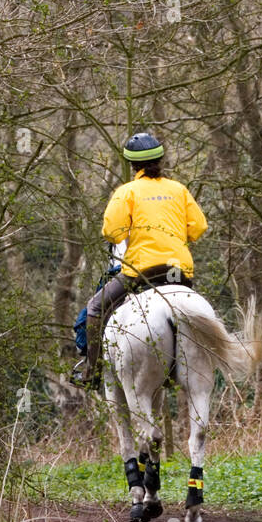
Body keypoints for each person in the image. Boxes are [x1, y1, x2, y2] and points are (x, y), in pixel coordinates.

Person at [71, 131, 208, 389]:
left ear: (132, 165)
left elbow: (112, 232)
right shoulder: (179, 190)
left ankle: (92, 371)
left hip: (140, 272)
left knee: (94, 309)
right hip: (179, 273)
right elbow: (198, 227)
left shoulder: (127, 192)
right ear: (160, 159)